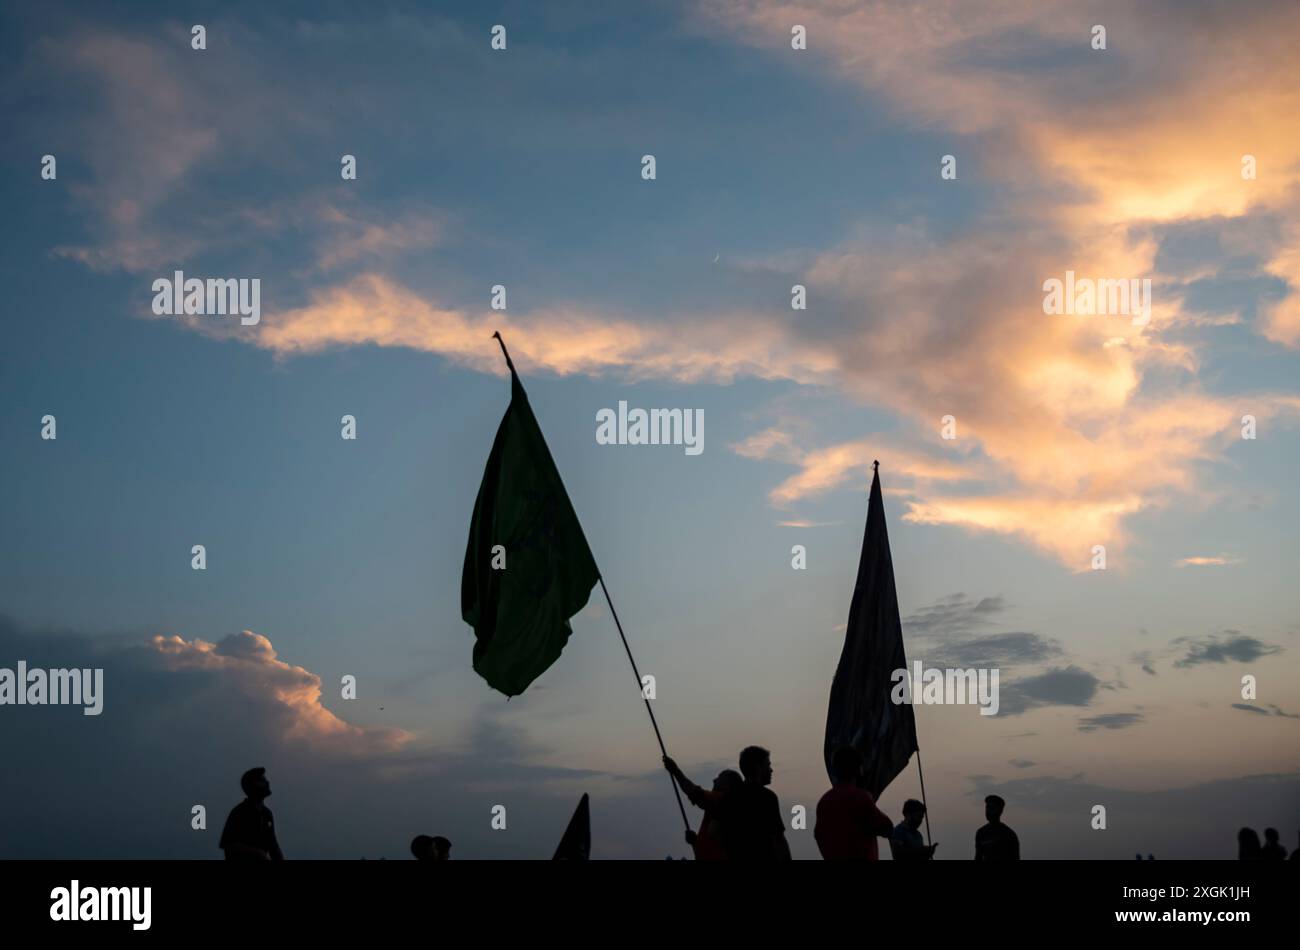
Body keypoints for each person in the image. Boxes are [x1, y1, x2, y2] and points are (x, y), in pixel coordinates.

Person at [814, 746, 893, 861]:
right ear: (858, 769)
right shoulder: (861, 797)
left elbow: (819, 835)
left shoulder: (824, 801)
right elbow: (887, 828)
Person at [717, 746, 791, 861]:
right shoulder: (767, 797)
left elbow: (717, 834)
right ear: (758, 767)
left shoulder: (729, 798)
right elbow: (778, 838)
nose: (771, 770)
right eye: (768, 765)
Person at [663, 757, 742, 860]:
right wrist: (696, 842)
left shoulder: (722, 799)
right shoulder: (723, 806)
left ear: (728, 786)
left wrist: (675, 771)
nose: (714, 780)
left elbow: (695, 793)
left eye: (719, 778)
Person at [219, 767, 285, 861]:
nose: (267, 782)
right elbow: (229, 845)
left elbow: (273, 847)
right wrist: (258, 854)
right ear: (252, 785)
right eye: (262, 780)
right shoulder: (239, 812)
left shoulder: (267, 814)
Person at [974, 794, 1019, 861]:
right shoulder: (981, 833)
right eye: (987, 807)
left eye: (992, 808)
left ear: (1000, 811)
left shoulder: (1009, 834)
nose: (988, 811)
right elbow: (978, 857)